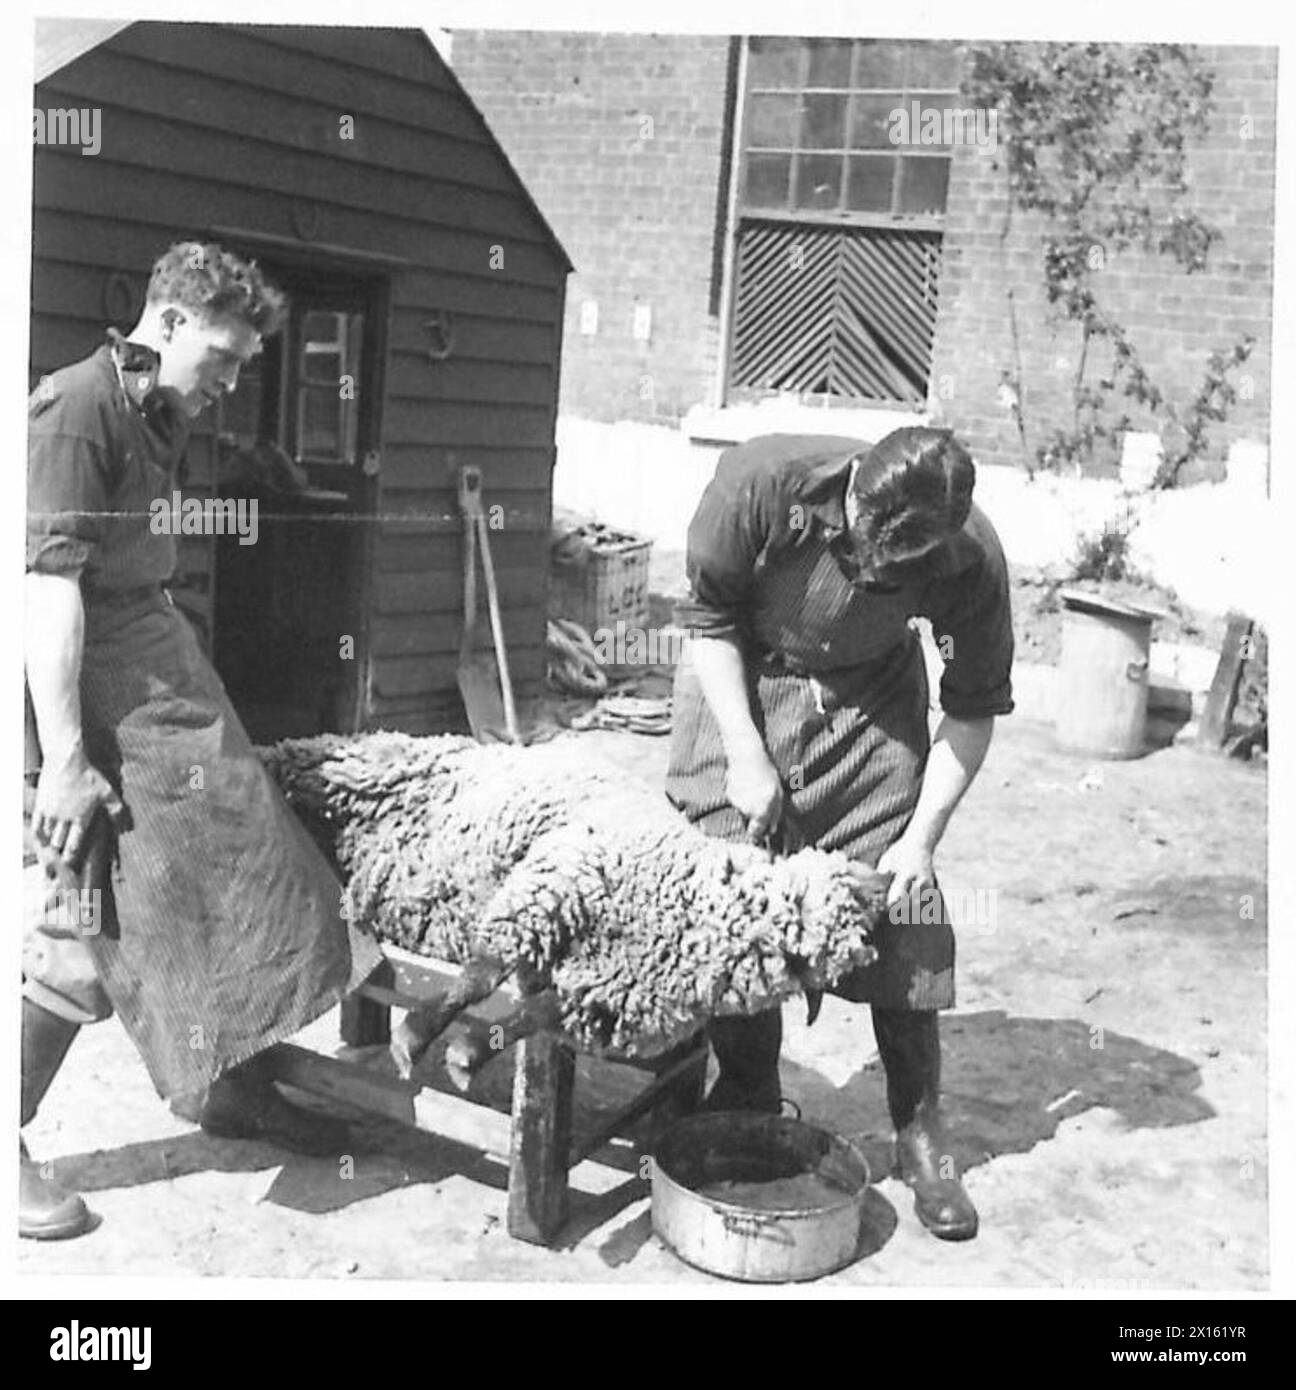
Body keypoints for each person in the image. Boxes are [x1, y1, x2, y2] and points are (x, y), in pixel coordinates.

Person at [23, 241, 383, 1240]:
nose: (229, 381)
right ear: (167, 322)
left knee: (241, 879)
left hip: (163, 688)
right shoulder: (76, 408)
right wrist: (61, 761)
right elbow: (45, 586)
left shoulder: (156, 410)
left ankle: (225, 1087)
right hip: (90, 707)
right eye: (221, 356)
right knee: (84, 934)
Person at [666, 427, 1014, 1241]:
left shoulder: (971, 559)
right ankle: (748, 1087)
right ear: (854, 493)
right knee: (734, 897)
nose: (867, 577)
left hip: (869, 704)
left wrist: (920, 841)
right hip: (746, 680)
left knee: (904, 912)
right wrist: (747, 756)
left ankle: (921, 1134)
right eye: (860, 555)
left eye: (889, 575)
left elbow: (971, 707)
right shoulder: (759, 483)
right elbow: (708, 621)